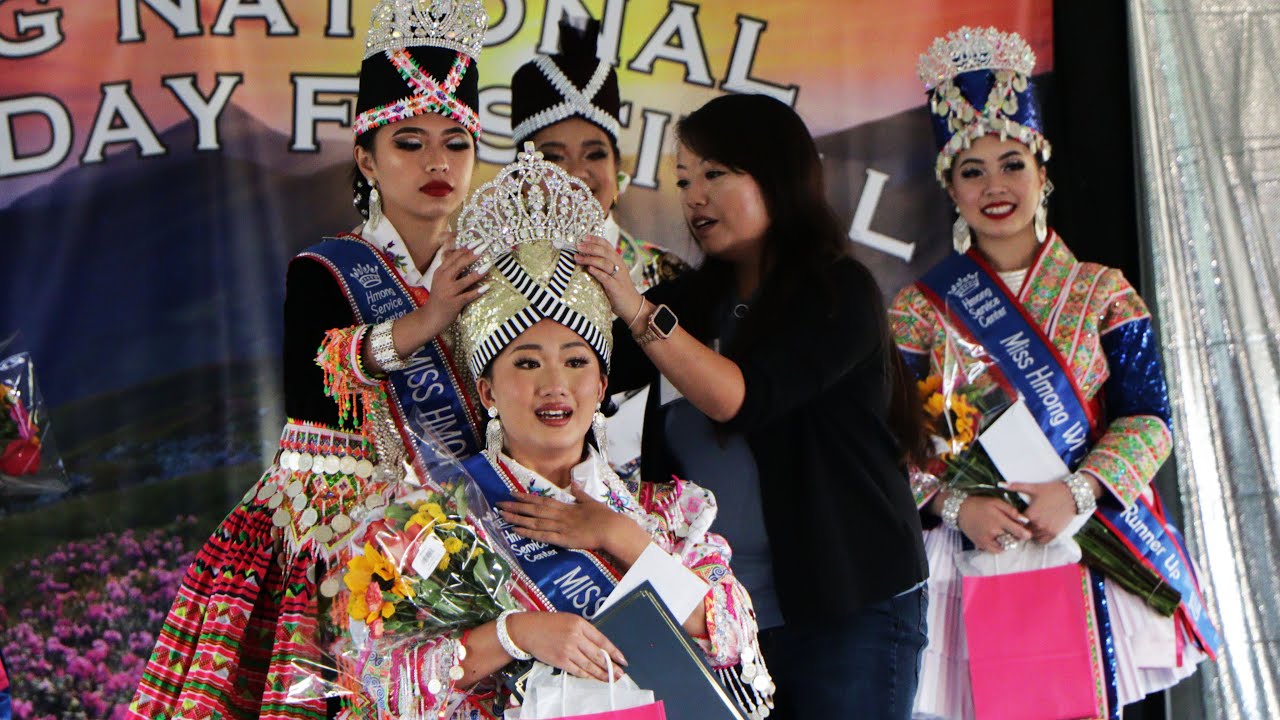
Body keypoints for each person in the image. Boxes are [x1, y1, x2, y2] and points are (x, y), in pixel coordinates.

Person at [127, 1, 490, 717]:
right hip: (331, 531)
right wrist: (428, 322)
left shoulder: (493, 276)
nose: (438, 162)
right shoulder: (324, 269)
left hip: (461, 533)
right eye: (410, 143)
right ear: (367, 158)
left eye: (457, 141)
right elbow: (318, 383)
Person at [328, 147, 773, 718]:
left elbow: (730, 631)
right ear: (487, 390)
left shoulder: (665, 515)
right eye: (528, 363)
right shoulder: (432, 524)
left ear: (602, 384)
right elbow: (383, 679)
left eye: (577, 362)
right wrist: (518, 634)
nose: (555, 386)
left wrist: (618, 536)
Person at [892, 27, 1215, 719]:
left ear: (1043, 171)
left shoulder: (1104, 292)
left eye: (1011, 163)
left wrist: (1077, 490)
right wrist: (956, 505)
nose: (995, 187)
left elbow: (1149, 419)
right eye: (971, 171)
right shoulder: (919, 311)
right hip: (972, 546)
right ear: (950, 187)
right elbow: (890, 439)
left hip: (1081, 538)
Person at [575, 93, 930, 720]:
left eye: (715, 173)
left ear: (778, 175)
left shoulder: (837, 292)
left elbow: (739, 399)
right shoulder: (687, 301)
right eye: (684, 180)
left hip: (845, 611)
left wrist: (633, 308)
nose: (694, 197)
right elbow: (585, 364)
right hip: (714, 617)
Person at [509, 16, 689, 480]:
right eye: (551, 157)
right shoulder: (488, 277)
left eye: (594, 154)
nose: (575, 174)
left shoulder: (669, 276)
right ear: (521, 175)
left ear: (617, 169)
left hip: (650, 514)